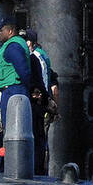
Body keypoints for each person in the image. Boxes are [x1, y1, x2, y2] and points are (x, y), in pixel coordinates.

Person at [0, 17, 33, 171]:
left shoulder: (13, 47)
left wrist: (30, 89)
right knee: (7, 133)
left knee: (13, 133)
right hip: (9, 90)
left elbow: (23, 70)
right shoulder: (10, 47)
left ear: (10, 31)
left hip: (14, 92)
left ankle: (13, 169)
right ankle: (8, 169)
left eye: (1, 31)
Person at [24, 27, 59, 174]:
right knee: (40, 139)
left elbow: (41, 83)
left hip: (37, 104)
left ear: (30, 42)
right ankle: (40, 170)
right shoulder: (43, 57)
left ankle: (38, 169)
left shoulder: (34, 58)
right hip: (43, 103)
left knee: (38, 138)